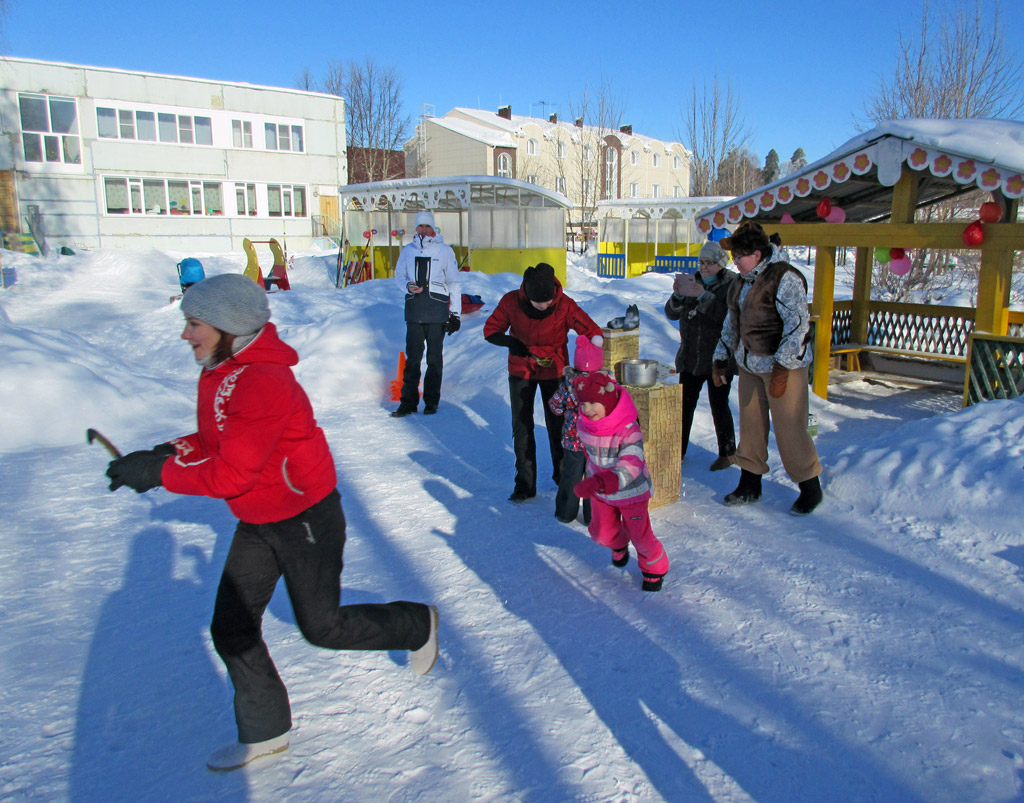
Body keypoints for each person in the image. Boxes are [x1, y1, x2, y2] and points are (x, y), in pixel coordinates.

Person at [104, 273, 439, 771]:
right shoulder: (224, 369)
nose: (185, 335)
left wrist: (157, 472)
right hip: (259, 517)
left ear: (227, 326)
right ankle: (265, 733)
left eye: (194, 324)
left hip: (305, 516)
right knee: (232, 626)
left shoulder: (262, 380)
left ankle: (415, 623)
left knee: (322, 627)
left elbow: (230, 473)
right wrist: (165, 453)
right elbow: (218, 438)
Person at [712, 221, 823, 515]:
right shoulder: (739, 283)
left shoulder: (784, 278)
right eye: (733, 256)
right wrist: (721, 358)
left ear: (758, 253)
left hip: (782, 368)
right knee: (751, 426)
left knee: (790, 427)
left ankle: (810, 486)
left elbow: (798, 325)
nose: (735, 261)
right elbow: (730, 323)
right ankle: (750, 483)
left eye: (740, 256)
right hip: (749, 365)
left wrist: (783, 366)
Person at [483, 263, 602, 502]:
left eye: (549, 301)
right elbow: (490, 330)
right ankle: (525, 485)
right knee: (522, 426)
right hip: (521, 369)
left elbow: (591, 330)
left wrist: (590, 356)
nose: (545, 305)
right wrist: (511, 343)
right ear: (528, 294)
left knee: (559, 426)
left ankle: (563, 478)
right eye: (540, 302)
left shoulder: (564, 304)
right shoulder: (511, 301)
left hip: (555, 368)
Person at [572, 372, 670, 592]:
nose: (587, 409)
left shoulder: (628, 431)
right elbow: (590, 455)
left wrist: (601, 480)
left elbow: (631, 465)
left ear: (607, 400)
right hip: (602, 493)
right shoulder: (585, 424)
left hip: (631, 493)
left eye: (593, 403)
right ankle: (618, 543)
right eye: (583, 403)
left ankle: (655, 568)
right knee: (601, 534)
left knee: (641, 538)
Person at [664, 241, 738, 471]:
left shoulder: (731, 285)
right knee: (684, 406)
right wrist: (677, 295)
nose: (703, 267)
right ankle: (678, 450)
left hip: (718, 359)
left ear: (720, 264)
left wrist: (704, 297)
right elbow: (671, 313)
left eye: (709, 263)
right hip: (690, 358)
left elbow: (728, 320)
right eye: (701, 262)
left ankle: (727, 452)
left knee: (719, 405)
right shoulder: (691, 281)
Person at [392, 210, 461, 417]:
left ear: (433, 229)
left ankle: (431, 401)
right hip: (414, 310)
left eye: (427, 226)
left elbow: (454, 282)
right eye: (420, 227)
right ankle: (408, 402)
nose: (423, 230)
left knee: (434, 359)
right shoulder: (408, 251)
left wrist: (455, 314)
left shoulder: (445, 251)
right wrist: (407, 286)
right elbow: (398, 275)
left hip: (437, 311)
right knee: (413, 359)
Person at [548, 334, 604, 524]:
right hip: (596, 442)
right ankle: (592, 516)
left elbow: (554, 406)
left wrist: (567, 409)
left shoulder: (568, 385)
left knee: (570, 477)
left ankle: (565, 513)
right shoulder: (605, 385)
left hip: (573, 441)